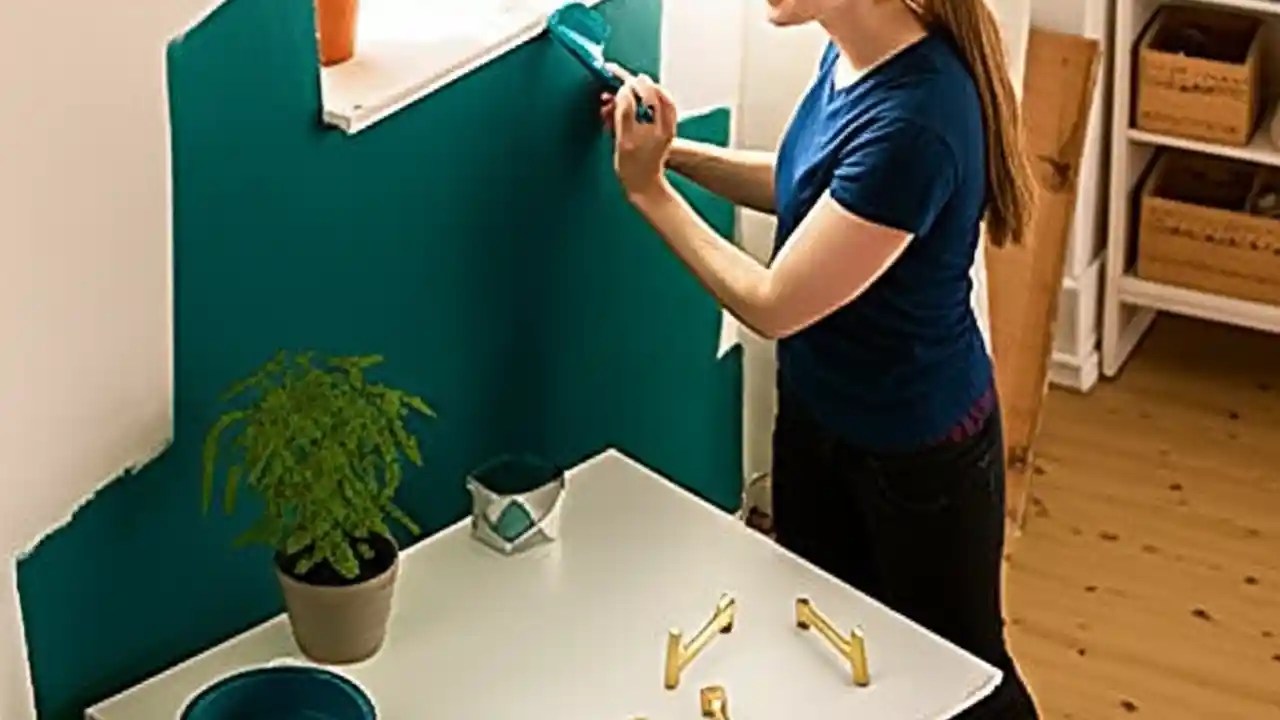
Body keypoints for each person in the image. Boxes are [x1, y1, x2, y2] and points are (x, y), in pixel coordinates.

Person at [600, 0, 1038, 717]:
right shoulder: (852, 53)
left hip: (917, 455)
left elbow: (774, 304)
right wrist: (673, 153)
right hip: (819, 416)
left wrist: (648, 189)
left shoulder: (919, 122)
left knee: (963, 678)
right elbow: (810, 185)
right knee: (822, 638)